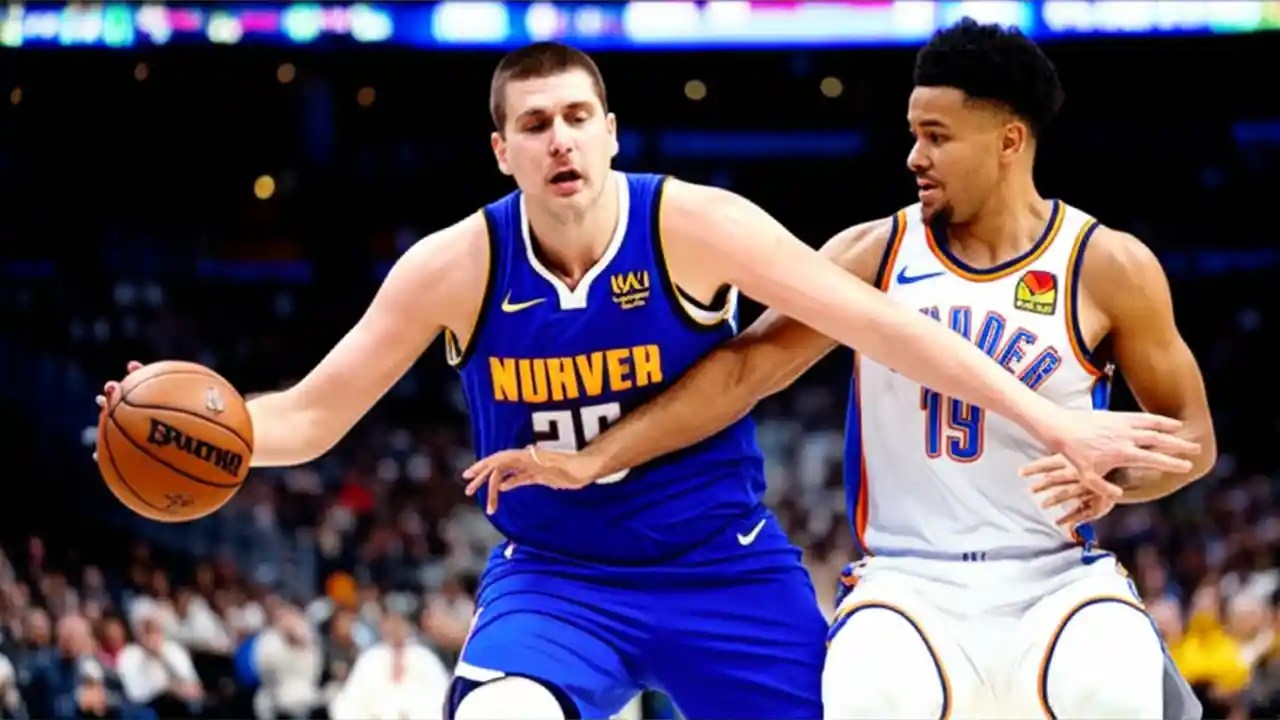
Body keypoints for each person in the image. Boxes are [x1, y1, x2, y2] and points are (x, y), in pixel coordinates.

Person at [99, 41, 1195, 719]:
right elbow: (309, 415)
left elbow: (884, 325)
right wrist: (203, 422)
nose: (562, 139)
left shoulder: (694, 225)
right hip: (557, 579)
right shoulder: (453, 267)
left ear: (610, 131)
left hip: (722, 569)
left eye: (580, 117)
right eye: (536, 125)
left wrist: (1064, 429)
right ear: (502, 152)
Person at [463, 24, 1215, 720]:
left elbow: (1194, 442)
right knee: (863, 691)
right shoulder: (874, 252)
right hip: (908, 584)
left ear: (1009, 140)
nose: (913, 156)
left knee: (1115, 689)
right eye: (912, 134)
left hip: (1057, 576)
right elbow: (743, 371)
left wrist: (1118, 482)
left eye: (936, 137)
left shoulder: (1107, 264)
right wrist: (597, 458)